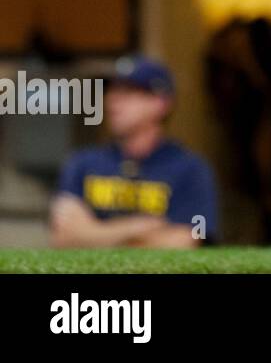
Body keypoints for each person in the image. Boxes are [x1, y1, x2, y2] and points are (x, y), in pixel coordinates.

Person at [50, 58, 219, 249]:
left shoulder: (191, 169)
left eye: (128, 92)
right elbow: (64, 238)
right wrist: (137, 228)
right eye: (112, 90)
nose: (113, 100)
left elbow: (186, 241)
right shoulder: (82, 163)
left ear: (161, 103)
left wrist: (92, 233)